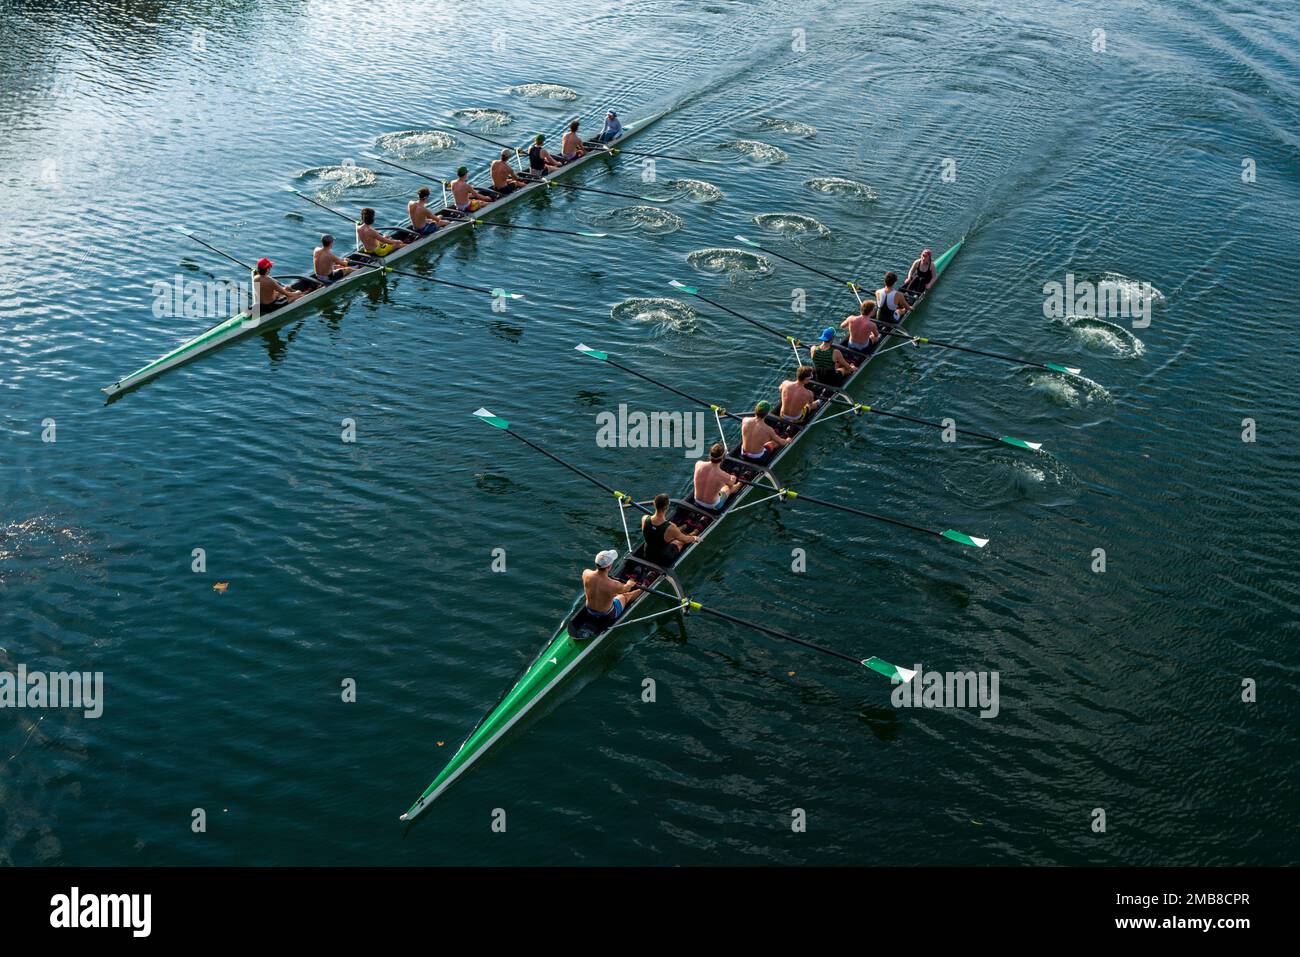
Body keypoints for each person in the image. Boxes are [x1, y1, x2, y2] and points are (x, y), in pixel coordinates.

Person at [580, 548, 642, 629]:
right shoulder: (613, 584)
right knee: (625, 595)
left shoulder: (586, 573)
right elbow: (626, 588)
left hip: (589, 609)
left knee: (612, 594)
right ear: (609, 566)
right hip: (608, 614)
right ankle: (643, 588)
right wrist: (630, 583)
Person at [641, 493, 699, 566]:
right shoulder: (670, 527)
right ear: (666, 507)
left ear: (654, 504)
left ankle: (685, 526)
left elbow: (656, 530)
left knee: (670, 533)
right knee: (679, 541)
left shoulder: (644, 518)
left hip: (647, 554)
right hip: (663, 558)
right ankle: (694, 531)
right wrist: (694, 538)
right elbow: (686, 540)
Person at [693, 442, 739, 511]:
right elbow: (731, 483)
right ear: (723, 457)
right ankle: (741, 483)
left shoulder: (698, 464)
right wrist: (733, 478)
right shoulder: (723, 475)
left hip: (697, 500)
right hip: (712, 506)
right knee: (728, 488)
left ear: (710, 455)